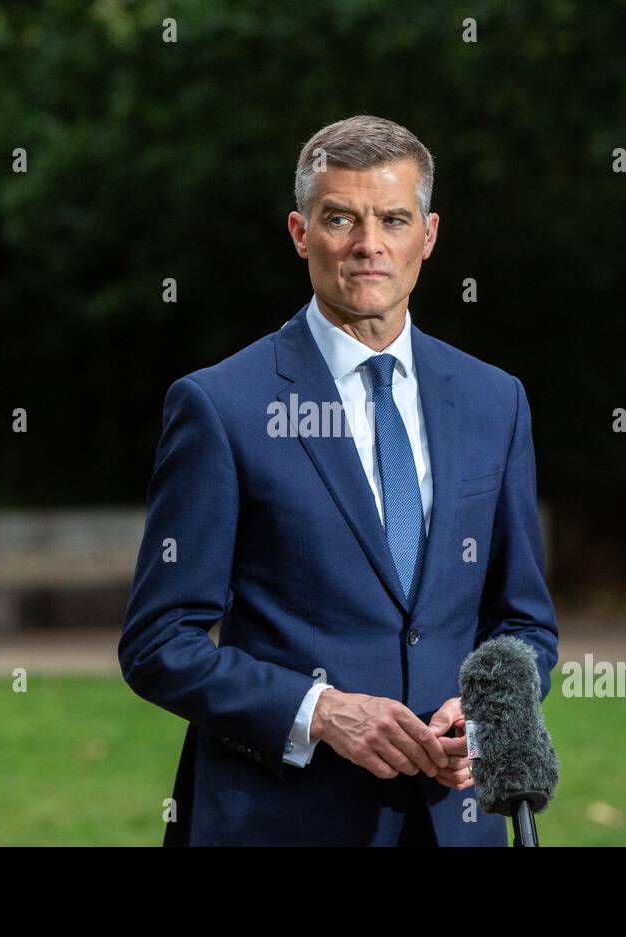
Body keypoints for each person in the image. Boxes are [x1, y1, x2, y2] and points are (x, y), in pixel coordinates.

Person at [118, 114, 558, 846]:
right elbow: (159, 642)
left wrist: (483, 715)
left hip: (457, 824)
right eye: (339, 219)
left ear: (429, 234)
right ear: (300, 232)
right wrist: (320, 712)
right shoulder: (222, 405)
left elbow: (523, 621)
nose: (367, 245)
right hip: (282, 821)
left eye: (392, 218)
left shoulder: (494, 400)